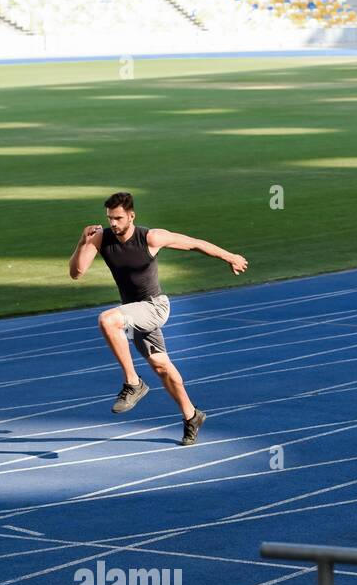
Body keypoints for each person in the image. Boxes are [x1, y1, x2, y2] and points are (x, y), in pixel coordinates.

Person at [68, 191, 248, 445]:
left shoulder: (150, 237)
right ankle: (192, 415)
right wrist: (82, 242)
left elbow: (194, 243)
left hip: (154, 307)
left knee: (108, 320)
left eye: (119, 218)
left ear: (132, 216)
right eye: (110, 218)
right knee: (162, 366)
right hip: (133, 311)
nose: (114, 224)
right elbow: (76, 273)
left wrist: (230, 257)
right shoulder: (101, 238)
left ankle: (133, 382)